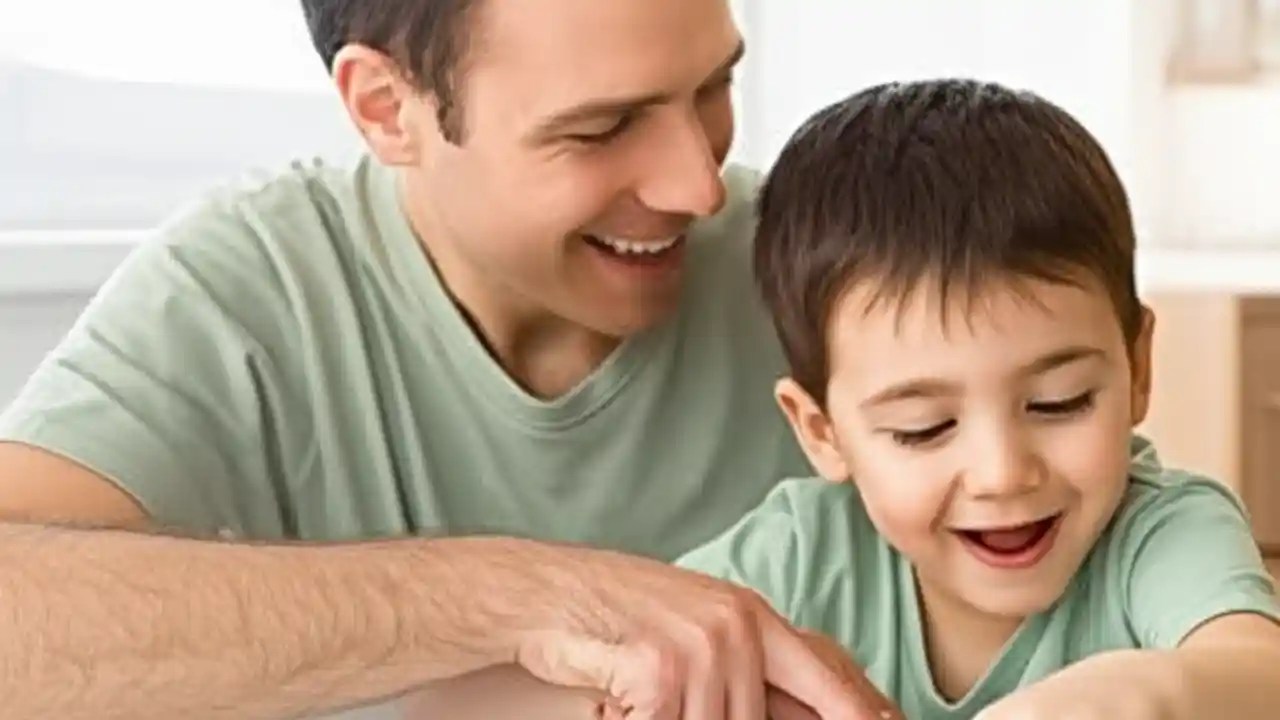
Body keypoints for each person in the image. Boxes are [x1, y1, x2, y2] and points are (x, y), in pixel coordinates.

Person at [0, 1, 895, 718]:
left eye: (712, 87)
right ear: (387, 109)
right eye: (604, 126)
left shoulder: (833, 275)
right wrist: (525, 600)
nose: (696, 185)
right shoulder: (252, 292)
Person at [668, 78, 1280, 718]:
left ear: (1137, 367)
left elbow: (1255, 671)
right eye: (923, 427)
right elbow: (628, 665)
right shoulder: (797, 554)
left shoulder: (1162, 534)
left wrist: (1153, 694)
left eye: (1059, 402)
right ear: (822, 432)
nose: (1003, 473)